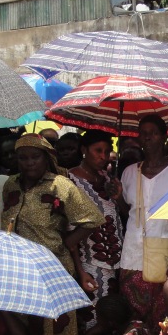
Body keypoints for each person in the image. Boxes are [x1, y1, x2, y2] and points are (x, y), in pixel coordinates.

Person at [1, 133, 105, 335]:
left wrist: (67, 243)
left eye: (35, 156)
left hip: (53, 269)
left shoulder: (60, 185)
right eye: (23, 157)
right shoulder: (11, 185)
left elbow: (94, 218)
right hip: (19, 271)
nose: (29, 162)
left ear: (46, 158)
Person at [119, 116, 168, 329]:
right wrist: (116, 198)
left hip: (164, 254)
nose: (148, 138)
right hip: (132, 254)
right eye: (143, 133)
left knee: (162, 315)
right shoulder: (130, 172)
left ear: (164, 137)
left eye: (153, 133)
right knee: (133, 316)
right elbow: (127, 212)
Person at [67, 130, 124, 312]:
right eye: (97, 150)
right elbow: (70, 232)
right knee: (94, 314)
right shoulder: (70, 180)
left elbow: (121, 216)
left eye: (107, 152)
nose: (103, 156)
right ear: (84, 150)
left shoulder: (107, 178)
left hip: (117, 262)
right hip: (90, 263)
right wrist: (80, 271)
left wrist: (119, 197)